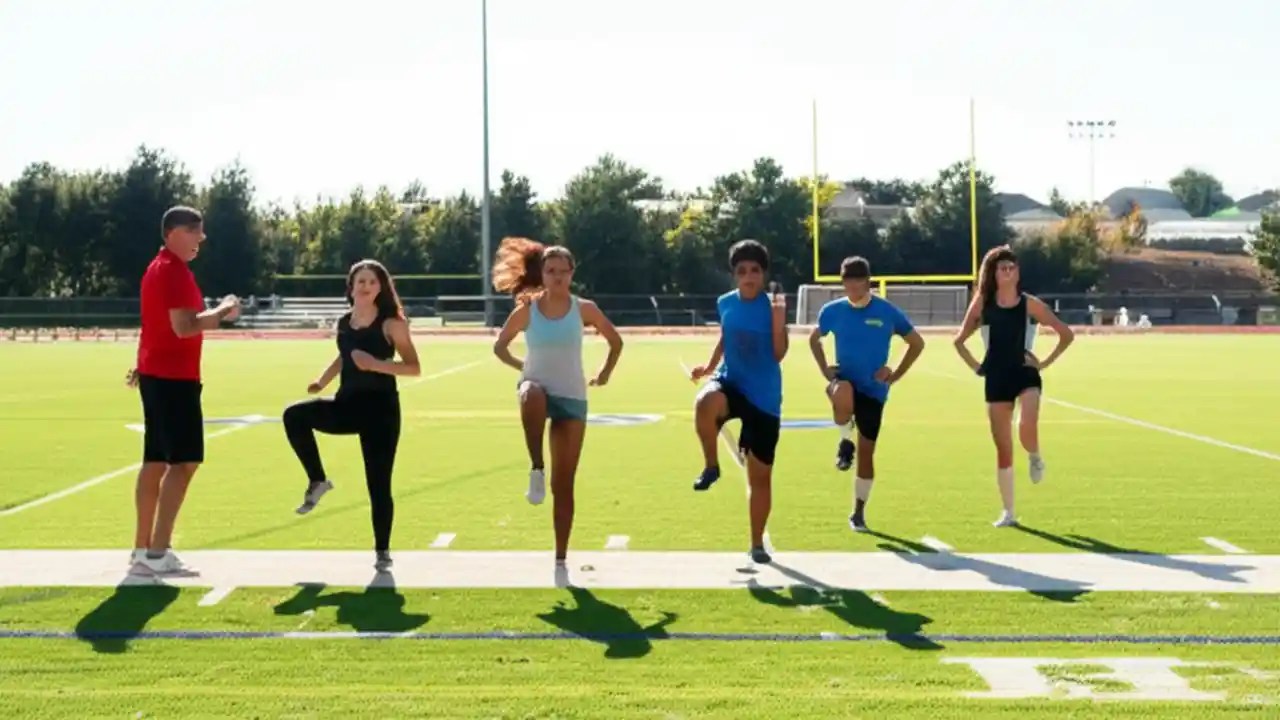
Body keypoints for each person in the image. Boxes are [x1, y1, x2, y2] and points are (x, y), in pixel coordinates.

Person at [491, 237, 624, 567]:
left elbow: (615, 341)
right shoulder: (528, 311)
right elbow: (500, 347)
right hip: (537, 387)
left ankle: (561, 555)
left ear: (572, 273)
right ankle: (536, 465)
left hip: (572, 395)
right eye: (550, 271)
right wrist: (524, 367)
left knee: (564, 484)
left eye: (563, 272)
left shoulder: (584, 308)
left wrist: (604, 373)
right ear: (543, 273)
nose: (557, 277)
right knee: (531, 393)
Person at [283, 259, 420, 572]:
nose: (367, 286)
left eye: (373, 281)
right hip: (347, 406)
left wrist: (376, 364)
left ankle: (382, 551)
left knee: (378, 484)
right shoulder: (344, 322)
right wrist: (322, 381)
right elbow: (345, 356)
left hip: (381, 412)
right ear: (351, 286)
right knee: (294, 416)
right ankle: (317, 480)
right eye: (361, 281)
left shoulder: (392, 324)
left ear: (381, 287)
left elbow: (414, 367)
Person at [125, 206, 240, 575]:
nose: (201, 238)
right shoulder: (172, 271)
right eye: (194, 230)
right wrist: (223, 310)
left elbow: (157, 324)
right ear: (173, 231)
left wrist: (142, 364)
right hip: (174, 378)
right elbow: (184, 327)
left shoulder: (157, 268)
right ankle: (157, 552)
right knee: (184, 462)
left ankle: (143, 551)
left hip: (159, 374)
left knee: (156, 461)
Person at [953, 245, 1074, 528]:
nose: (1008, 272)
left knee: (1026, 424)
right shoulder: (983, 303)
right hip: (996, 378)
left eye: (1012, 268)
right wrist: (976, 366)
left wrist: (1043, 363)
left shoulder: (1029, 304)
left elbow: (1065, 334)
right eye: (1002, 268)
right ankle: (1008, 512)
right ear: (993, 273)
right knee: (1003, 448)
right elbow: (959, 341)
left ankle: (1034, 456)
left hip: (1025, 374)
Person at [808, 256, 925, 533]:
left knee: (868, 454)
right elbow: (814, 338)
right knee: (842, 389)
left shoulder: (886, 311)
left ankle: (858, 511)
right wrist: (826, 369)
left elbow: (916, 343)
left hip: (874, 390)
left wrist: (894, 374)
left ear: (867, 281)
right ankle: (844, 440)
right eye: (847, 281)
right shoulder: (832, 311)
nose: (852, 287)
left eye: (857, 281)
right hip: (845, 382)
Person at [688, 239, 787, 564]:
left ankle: (757, 543)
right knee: (705, 402)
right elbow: (725, 335)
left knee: (760, 477)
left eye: (755, 270)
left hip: (764, 396)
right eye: (742, 270)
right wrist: (709, 366)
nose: (748, 276)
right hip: (731, 383)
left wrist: (778, 317)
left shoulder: (772, 307)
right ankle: (711, 466)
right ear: (734, 275)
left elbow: (778, 353)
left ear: (763, 274)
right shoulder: (725, 303)